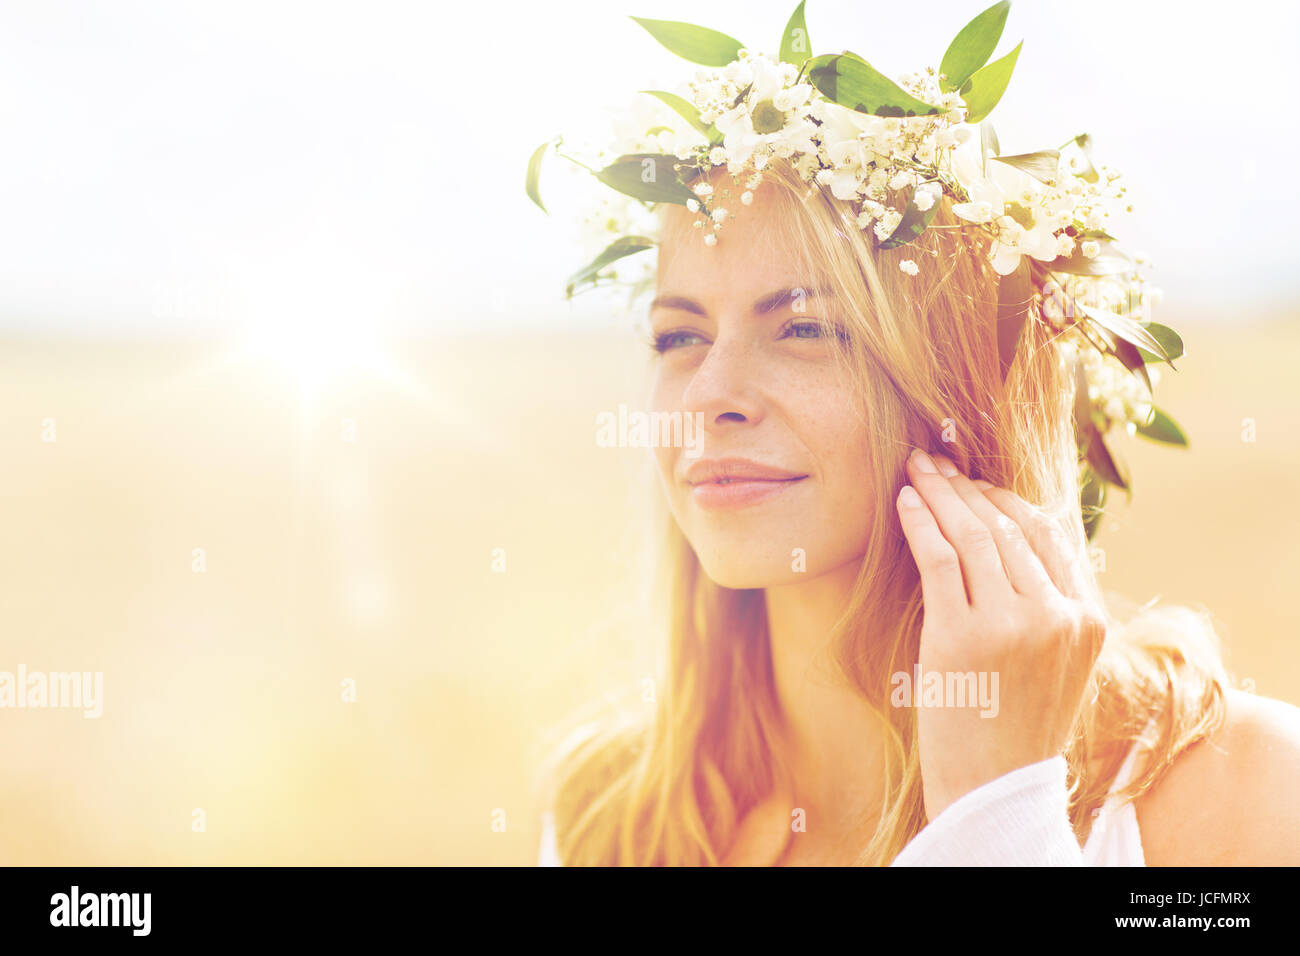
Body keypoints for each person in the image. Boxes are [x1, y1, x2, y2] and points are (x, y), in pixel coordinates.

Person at [533, 156, 1300, 866]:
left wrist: (999, 812)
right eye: (680, 336)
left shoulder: (1241, 791)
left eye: (804, 328)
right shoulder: (609, 820)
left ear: (965, 387)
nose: (706, 396)